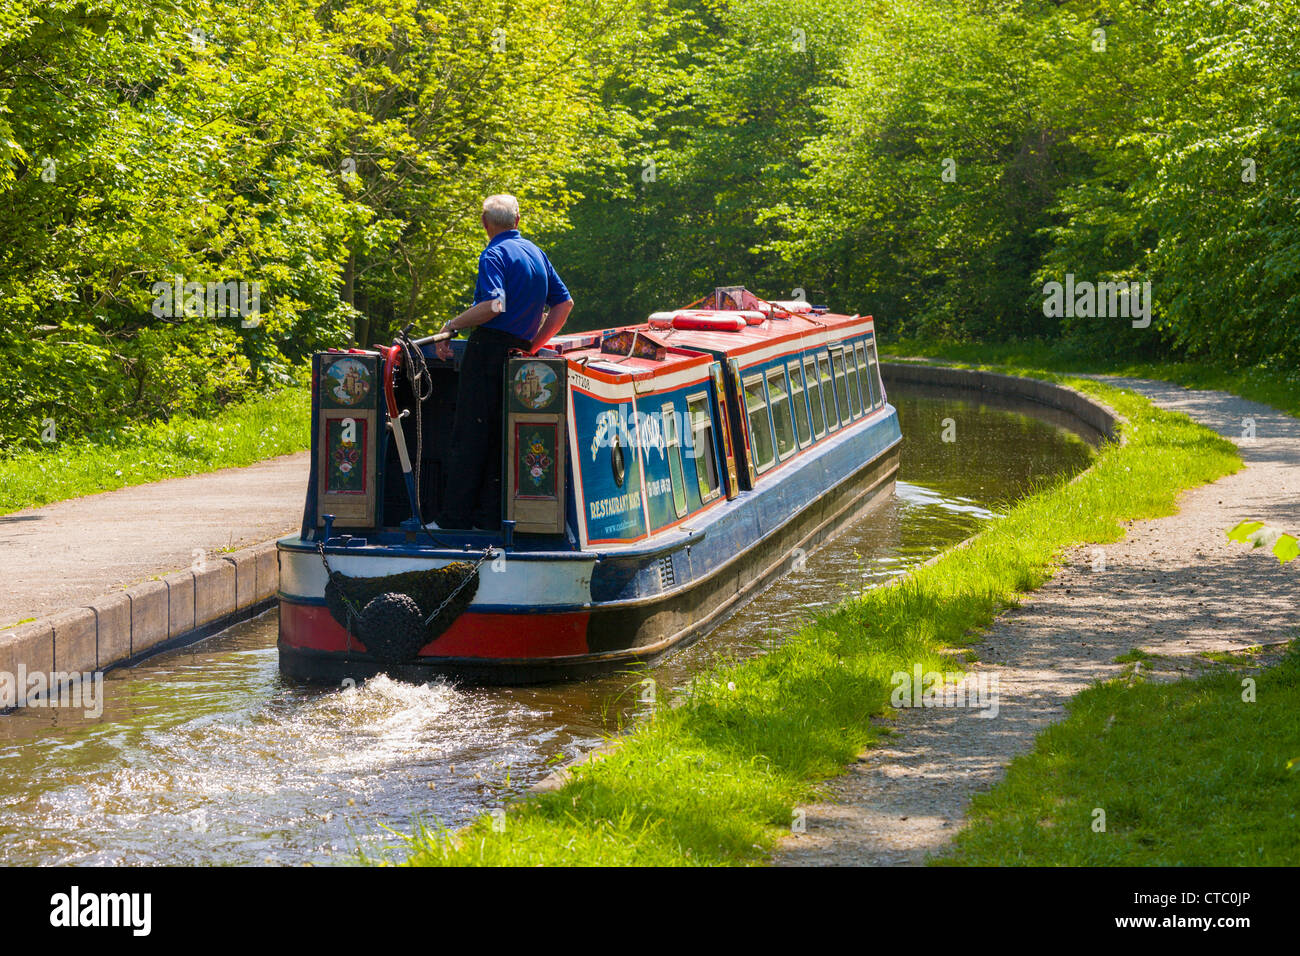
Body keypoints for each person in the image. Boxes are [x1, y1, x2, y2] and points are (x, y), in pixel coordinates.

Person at [433, 194, 573, 530]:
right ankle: (491, 519)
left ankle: (454, 520)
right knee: (504, 436)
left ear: (485, 222)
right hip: (519, 358)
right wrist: (533, 346)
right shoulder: (536, 253)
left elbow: (494, 304)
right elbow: (564, 305)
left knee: (469, 434)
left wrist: (450, 326)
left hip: (488, 352)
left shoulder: (493, 254)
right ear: (518, 220)